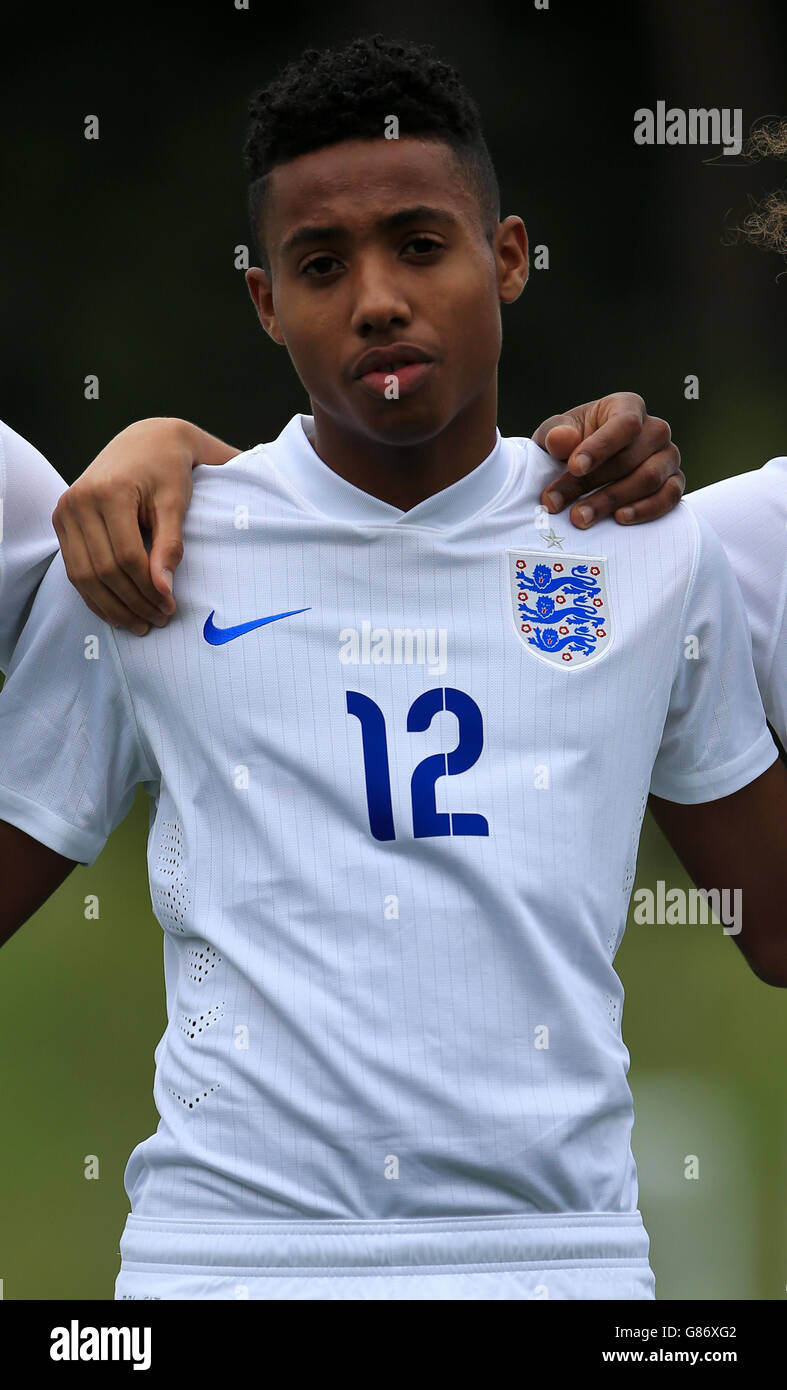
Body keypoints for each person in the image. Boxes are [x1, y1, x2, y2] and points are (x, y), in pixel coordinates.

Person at [0, 35, 784, 1302]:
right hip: (229, 1259)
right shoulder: (152, 547)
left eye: (421, 244)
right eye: (320, 265)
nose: (374, 297)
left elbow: (770, 920)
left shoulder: (639, 544)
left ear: (509, 257)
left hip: (558, 1262)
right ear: (265, 303)